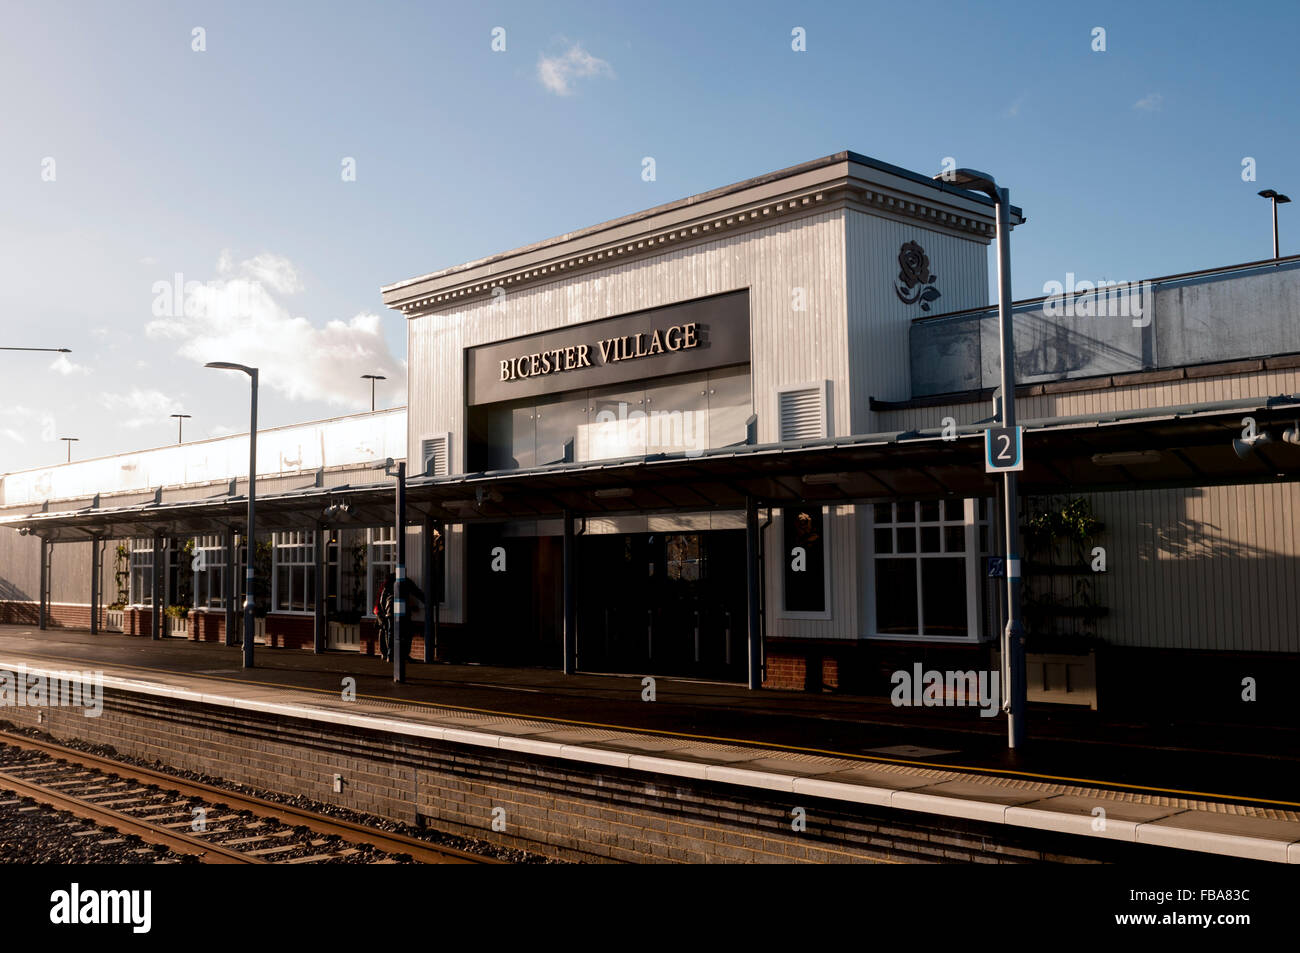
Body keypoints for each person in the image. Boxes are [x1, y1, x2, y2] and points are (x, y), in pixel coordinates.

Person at [376, 571, 426, 662]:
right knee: (406, 632)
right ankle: (404, 655)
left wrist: (385, 611)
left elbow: (382, 598)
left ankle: (390, 655)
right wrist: (428, 601)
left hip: (390, 610)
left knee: (391, 633)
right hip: (403, 610)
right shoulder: (406, 581)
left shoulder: (389, 581)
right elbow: (417, 592)